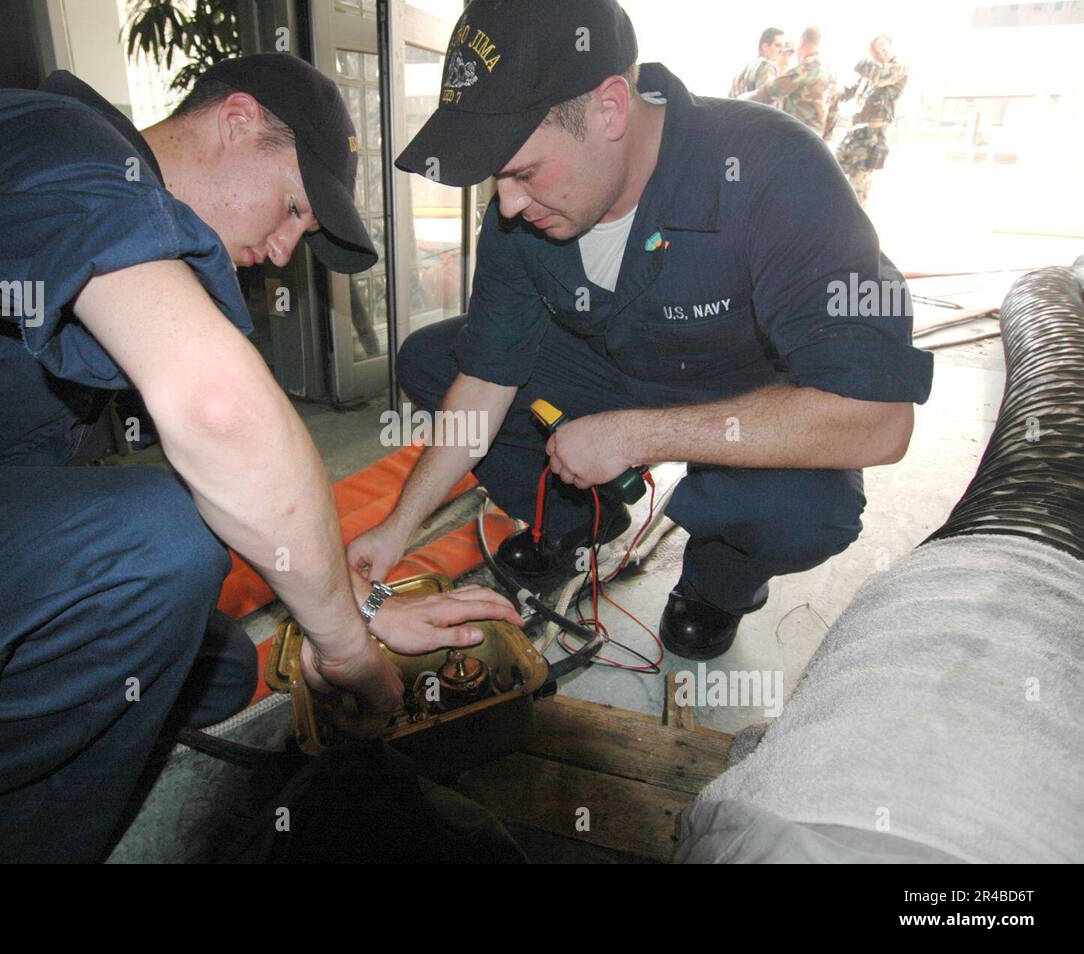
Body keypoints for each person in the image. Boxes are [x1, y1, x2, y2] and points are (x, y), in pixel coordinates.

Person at [0, 53, 520, 863]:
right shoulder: (54, 147)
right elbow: (222, 419)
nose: (284, 252)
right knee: (148, 556)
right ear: (236, 121)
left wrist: (365, 607)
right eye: (291, 209)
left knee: (214, 666)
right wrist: (351, 652)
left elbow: (240, 484)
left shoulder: (107, 228)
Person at [348, 0, 932, 664]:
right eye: (495, 179)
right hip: (617, 367)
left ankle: (716, 583)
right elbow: (486, 379)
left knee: (803, 511)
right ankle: (574, 521)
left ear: (610, 110)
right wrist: (398, 526)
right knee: (432, 360)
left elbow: (879, 420)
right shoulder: (523, 213)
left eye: (523, 172)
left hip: (751, 399)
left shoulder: (774, 171)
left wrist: (633, 436)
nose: (506, 205)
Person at [836, 35, 909, 204]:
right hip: (855, 134)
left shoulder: (899, 68)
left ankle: (855, 219)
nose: (881, 53)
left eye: (884, 49)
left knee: (857, 190)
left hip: (872, 138)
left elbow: (879, 75)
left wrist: (861, 62)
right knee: (831, 173)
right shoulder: (866, 76)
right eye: (876, 51)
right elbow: (846, 92)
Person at [744, 26, 839, 142]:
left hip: (798, 137)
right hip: (816, 141)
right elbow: (834, 112)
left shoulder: (808, 67)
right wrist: (824, 141)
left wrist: (741, 101)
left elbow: (772, 91)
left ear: (802, 42)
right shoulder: (831, 72)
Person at [728, 27, 786, 99]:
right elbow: (764, 99)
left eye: (783, 47)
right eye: (777, 45)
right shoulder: (767, 66)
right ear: (765, 46)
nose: (781, 51)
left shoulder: (745, 67)